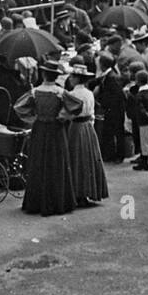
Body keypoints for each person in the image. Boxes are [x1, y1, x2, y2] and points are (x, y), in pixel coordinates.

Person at [14, 58, 79, 216]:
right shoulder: (61, 92)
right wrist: (62, 116)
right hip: (56, 130)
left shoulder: (35, 91)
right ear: (56, 76)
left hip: (40, 129)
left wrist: (33, 117)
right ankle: (58, 202)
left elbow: (19, 107)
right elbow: (77, 105)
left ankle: (35, 202)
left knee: (38, 162)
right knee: (57, 163)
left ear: (43, 74)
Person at [64, 64, 108, 206]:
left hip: (76, 127)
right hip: (88, 127)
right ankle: (87, 191)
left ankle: (78, 192)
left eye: (72, 76)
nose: (70, 78)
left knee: (76, 158)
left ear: (78, 78)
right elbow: (92, 114)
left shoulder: (72, 95)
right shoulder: (89, 93)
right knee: (89, 158)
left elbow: (68, 114)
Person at [93, 54, 127, 165]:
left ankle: (119, 155)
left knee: (116, 131)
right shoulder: (108, 76)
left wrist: (103, 103)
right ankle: (111, 154)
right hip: (112, 108)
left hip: (114, 109)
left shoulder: (112, 78)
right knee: (111, 131)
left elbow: (115, 95)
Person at [128, 69, 148, 171]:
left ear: (137, 81)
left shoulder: (139, 95)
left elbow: (141, 110)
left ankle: (144, 163)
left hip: (144, 122)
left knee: (145, 143)